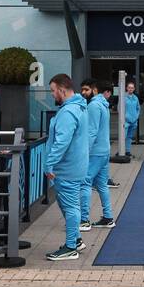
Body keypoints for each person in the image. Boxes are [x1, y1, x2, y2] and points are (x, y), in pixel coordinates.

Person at [44, 73, 90, 261]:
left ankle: (71, 246)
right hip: (75, 165)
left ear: (62, 90)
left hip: (66, 168)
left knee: (70, 207)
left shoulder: (68, 112)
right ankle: (76, 240)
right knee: (67, 204)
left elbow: (62, 142)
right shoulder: (78, 107)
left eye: (53, 91)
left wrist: (48, 163)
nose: (52, 95)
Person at [78, 79, 116, 231]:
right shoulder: (103, 105)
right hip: (104, 151)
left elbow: (92, 131)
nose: (83, 92)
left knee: (85, 182)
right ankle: (108, 217)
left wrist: (84, 151)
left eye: (86, 89)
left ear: (94, 90)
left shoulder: (94, 105)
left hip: (95, 152)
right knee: (101, 185)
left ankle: (84, 220)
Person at [101, 84, 120, 187]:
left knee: (103, 165)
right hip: (100, 145)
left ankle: (105, 180)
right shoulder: (99, 106)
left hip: (102, 144)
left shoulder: (104, 106)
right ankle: (103, 181)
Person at [123, 79, 141, 149]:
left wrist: (136, 117)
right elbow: (120, 108)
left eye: (132, 88)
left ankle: (128, 151)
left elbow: (138, 108)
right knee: (123, 137)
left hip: (133, 121)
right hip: (125, 121)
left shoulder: (135, 98)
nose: (130, 89)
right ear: (126, 88)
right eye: (129, 87)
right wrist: (124, 117)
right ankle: (121, 152)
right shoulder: (123, 97)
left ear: (134, 89)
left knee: (129, 137)